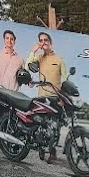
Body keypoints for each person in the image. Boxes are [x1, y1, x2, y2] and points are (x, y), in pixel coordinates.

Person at [25, 31, 70, 164]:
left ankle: (52, 151)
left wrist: (64, 96)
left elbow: (66, 79)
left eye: (46, 40)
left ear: (50, 42)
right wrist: (33, 51)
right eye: (41, 40)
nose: (43, 42)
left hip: (55, 98)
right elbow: (27, 67)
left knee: (54, 126)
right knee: (40, 124)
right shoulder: (39, 58)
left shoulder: (59, 60)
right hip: (41, 98)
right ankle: (41, 146)